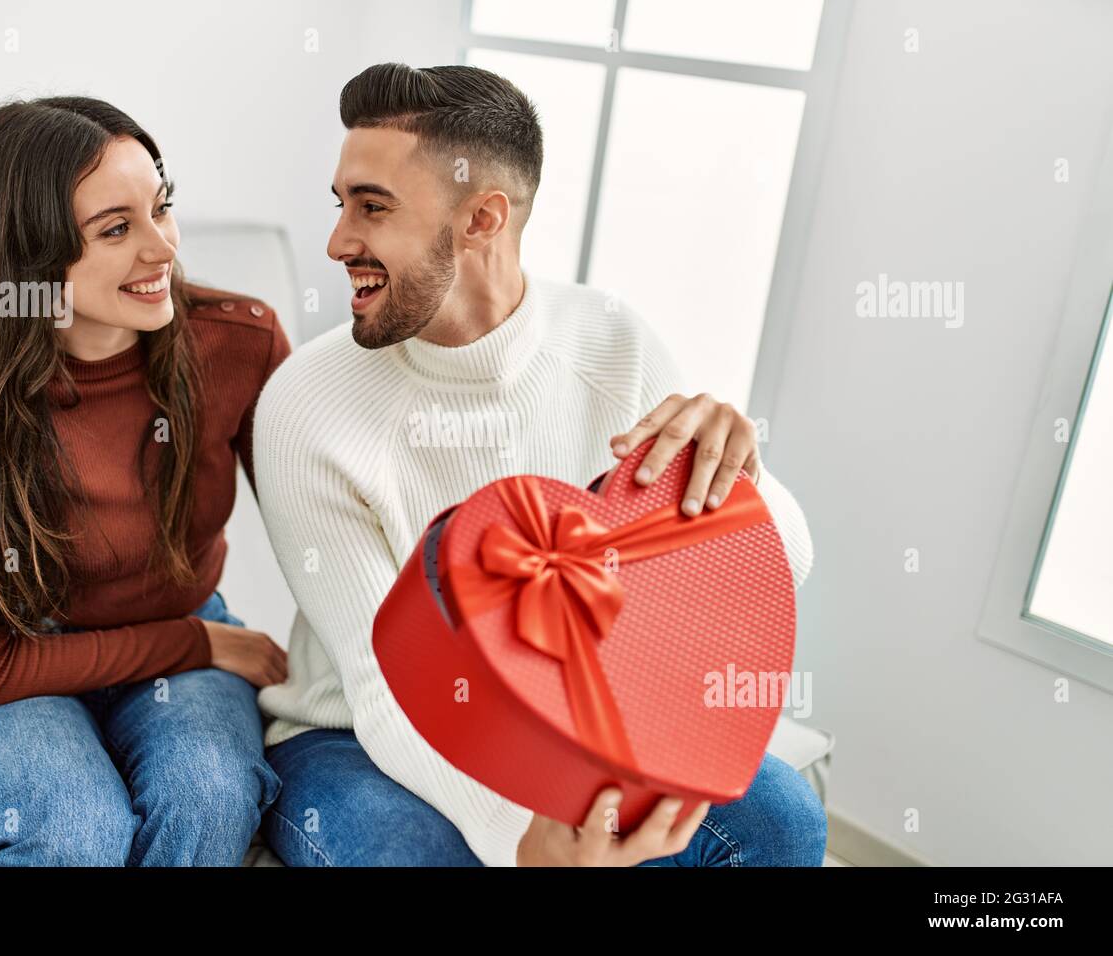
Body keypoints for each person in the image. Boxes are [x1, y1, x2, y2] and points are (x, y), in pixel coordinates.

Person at [253, 63, 826, 866]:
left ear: (482, 218)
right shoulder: (305, 404)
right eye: (341, 203)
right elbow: (386, 681)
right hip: (350, 733)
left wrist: (741, 478)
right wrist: (523, 843)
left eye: (372, 208)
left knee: (779, 821)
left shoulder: (613, 342)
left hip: (574, 715)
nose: (339, 240)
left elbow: (775, 571)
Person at [0, 96, 290, 866]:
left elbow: (340, 498)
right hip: (27, 656)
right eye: (116, 229)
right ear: (29, 257)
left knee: (210, 799)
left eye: (162, 207)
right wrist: (194, 643)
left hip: (187, 632)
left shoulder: (240, 340)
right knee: (75, 831)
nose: (162, 250)